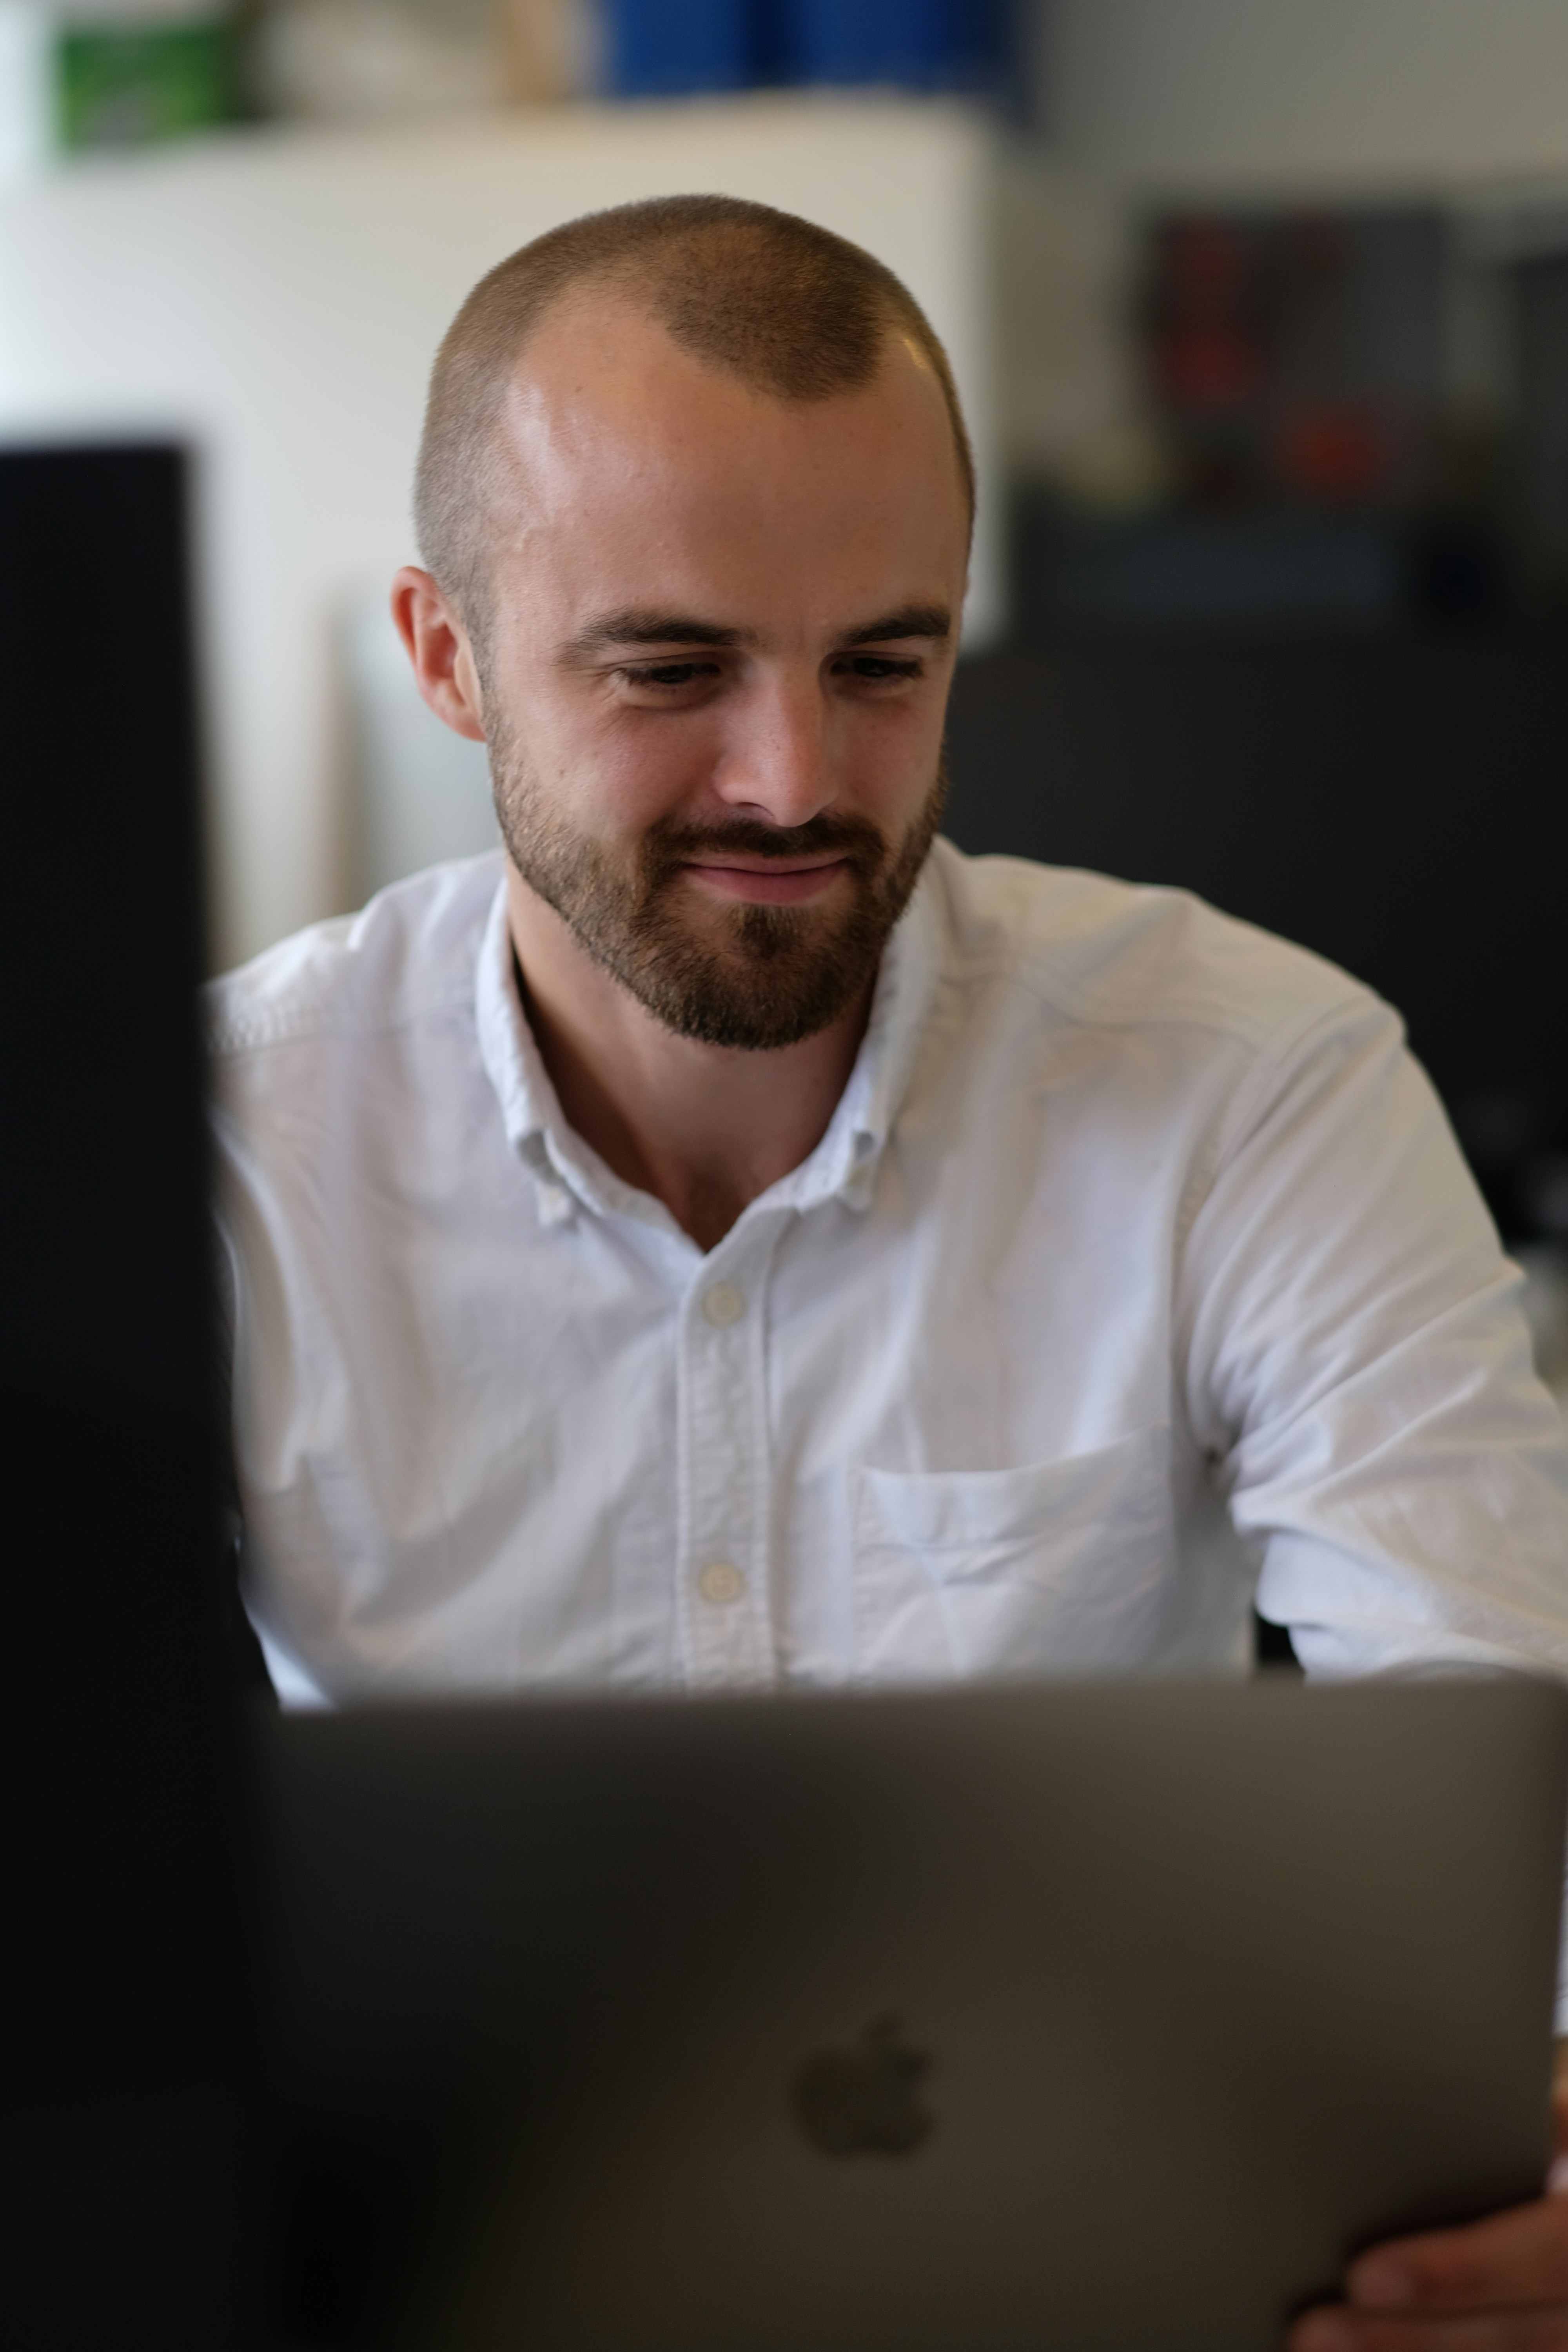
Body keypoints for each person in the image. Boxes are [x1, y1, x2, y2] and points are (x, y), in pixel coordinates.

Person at [209, 196, 1568, 2348]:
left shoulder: (1256, 1082)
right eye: (671, 670)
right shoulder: (221, 1149)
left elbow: (1509, 1737)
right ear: (445, 651)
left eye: (884, 663)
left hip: (1139, 2277)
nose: (797, 780)